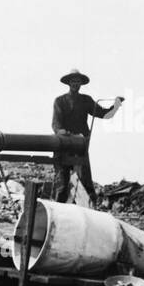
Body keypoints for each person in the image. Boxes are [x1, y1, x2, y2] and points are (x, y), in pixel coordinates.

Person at [51, 68, 109, 206]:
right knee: (62, 184)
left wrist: (116, 106)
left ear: (81, 84)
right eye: (73, 81)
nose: (75, 84)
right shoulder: (60, 101)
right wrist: (62, 132)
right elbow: (56, 125)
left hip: (80, 146)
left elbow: (103, 113)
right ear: (69, 83)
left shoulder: (86, 100)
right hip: (63, 145)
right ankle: (58, 210)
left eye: (78, 81)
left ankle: (89, 211)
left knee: (85, 182)